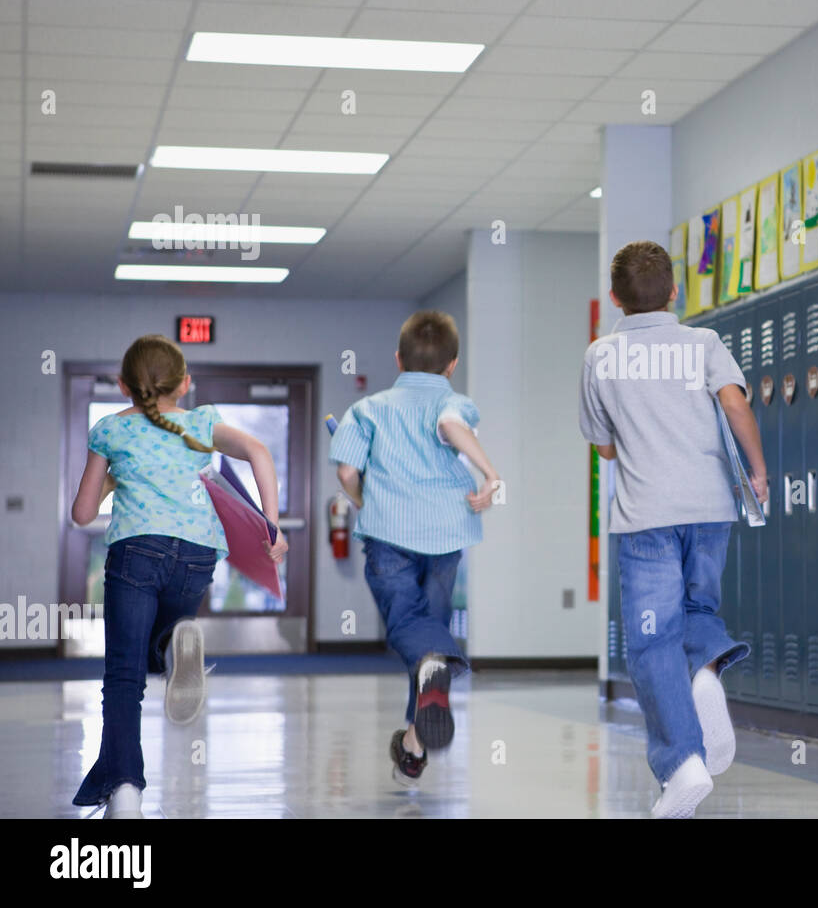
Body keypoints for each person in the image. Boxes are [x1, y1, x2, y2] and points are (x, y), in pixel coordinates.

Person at [579, 240, 769, 819]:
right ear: (675, 291)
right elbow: (735, 404)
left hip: (646, 516)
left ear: (614, 298)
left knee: (652, 639)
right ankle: (708, 671)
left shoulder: (600, 356)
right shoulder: (703, 342)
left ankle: (681, 761)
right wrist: (758, 472)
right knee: (698, 611)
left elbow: (604, 444)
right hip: (711, 506)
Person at [70, 335, 287, 818]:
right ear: (185, 384)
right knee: (165, 630)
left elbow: (83, 513)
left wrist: (111, 479)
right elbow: (260, 453)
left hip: (136, 549)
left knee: (124, 675)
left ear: (124, 385)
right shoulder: (203, 422)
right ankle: (174, 643)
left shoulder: (110, 430)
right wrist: (270, 526)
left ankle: (126, 794)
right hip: (196, 551)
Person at [330, 310, 500, 783]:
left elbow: (346, 472)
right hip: (446, 537)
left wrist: (366, 502)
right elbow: (450, 424)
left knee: (412, 630)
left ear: (398, 359)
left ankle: (426, 697)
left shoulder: (368, 408)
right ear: (452, 365)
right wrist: (488, 474)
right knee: (430, 636)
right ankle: (414, 744)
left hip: (389, 535)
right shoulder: (457, 402)